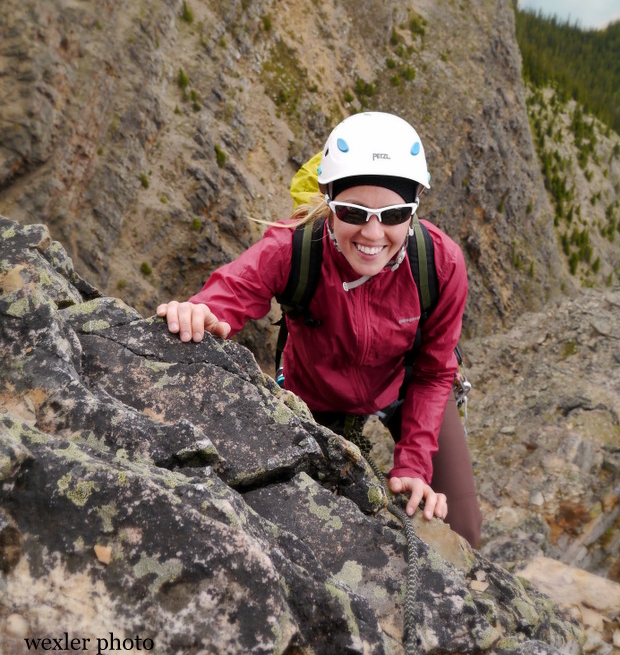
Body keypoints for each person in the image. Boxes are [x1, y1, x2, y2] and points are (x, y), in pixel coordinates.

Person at [157, 111, 481, 545]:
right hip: (315, 395)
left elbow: (434, 370)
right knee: (303, 532)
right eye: (353, 211)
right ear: (328, 199)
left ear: (414, 209)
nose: (372, 232)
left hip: (406, 387)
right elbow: (234, 289)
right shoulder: (296, 248)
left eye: (393, 214)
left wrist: (413, 464)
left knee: (464, 528)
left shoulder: (440, 264)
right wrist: (201, 312)